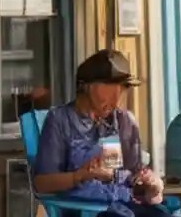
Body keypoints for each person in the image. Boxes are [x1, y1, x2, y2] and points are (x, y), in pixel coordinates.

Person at [32, 49, 166, 217]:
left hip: (126, 206)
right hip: (87, 210)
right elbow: (41, 183)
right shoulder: (60, 120)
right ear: (86, 86)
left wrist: (151, 186)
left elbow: (135, 177)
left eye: (123, 88)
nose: (117, 97)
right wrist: (79, 176)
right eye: (111, 87)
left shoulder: (124, 121)